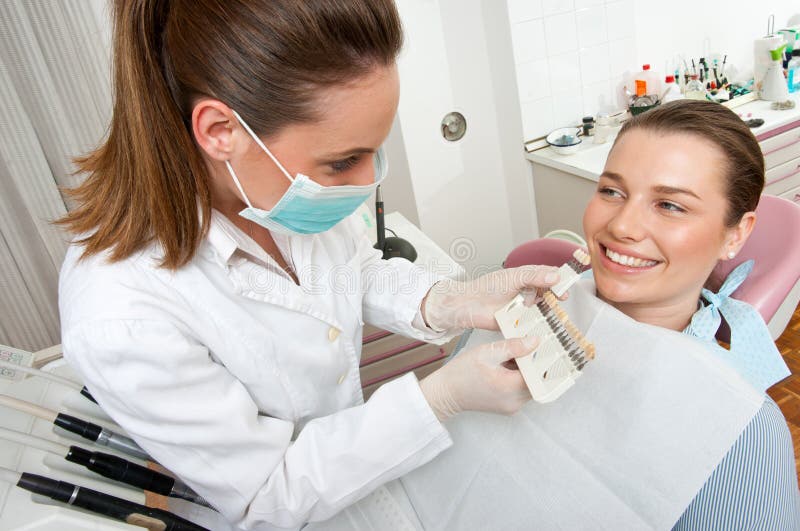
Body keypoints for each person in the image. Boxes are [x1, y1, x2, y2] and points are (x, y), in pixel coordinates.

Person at [57, 1, 559, 529]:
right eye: (343, 161)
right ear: (220, 131)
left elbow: (352, 270)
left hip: (368, 488)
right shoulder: (120, 312)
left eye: (373, 153)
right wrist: (440, 398)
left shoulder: (282, 190)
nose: (366, 181)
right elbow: (264, 497)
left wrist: (451, 300)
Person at [394, 100, 799, 530]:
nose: (623, 225)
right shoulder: (516, 310)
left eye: (670, 206)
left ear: (735, 234)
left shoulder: (739, 436)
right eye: (611, 191)